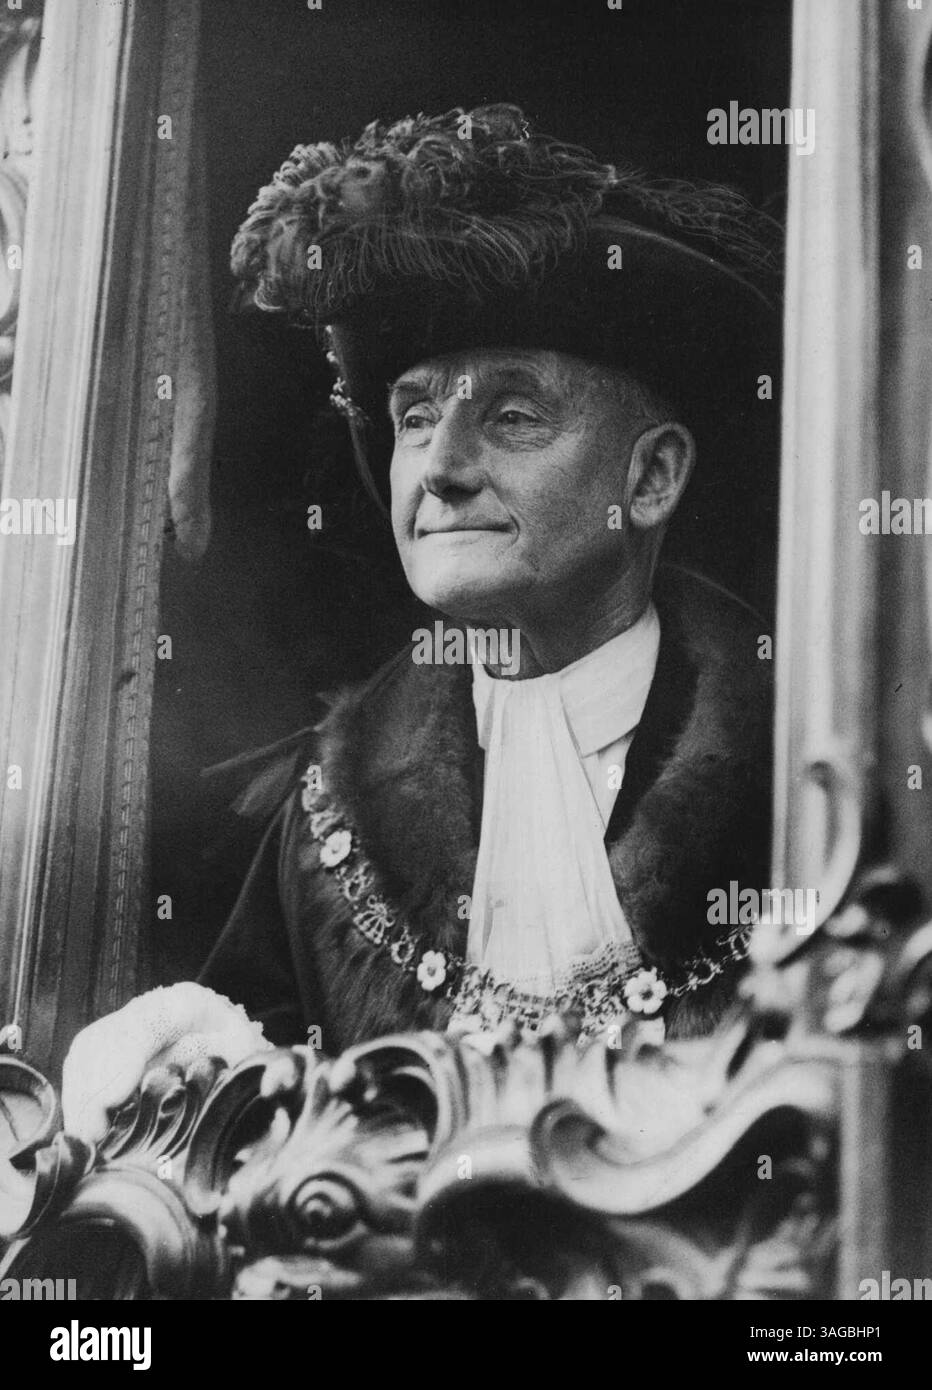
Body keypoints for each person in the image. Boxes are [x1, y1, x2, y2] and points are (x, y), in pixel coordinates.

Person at [62, 104, 778, 1144]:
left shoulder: (816, 775)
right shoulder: (329, 810)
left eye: (512, 415)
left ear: (652, 475)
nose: (438, 468)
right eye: (411, 416)